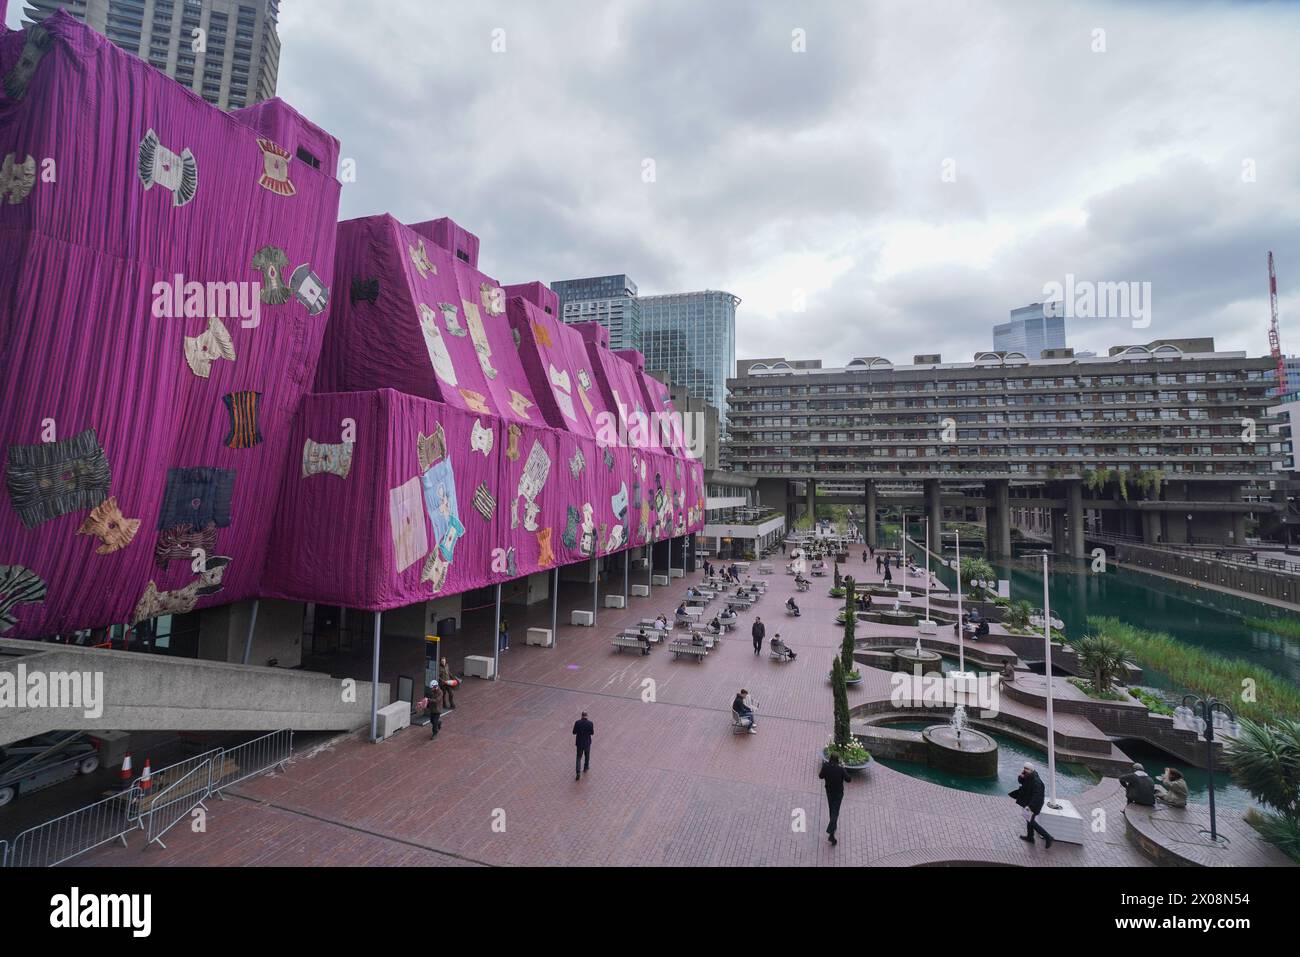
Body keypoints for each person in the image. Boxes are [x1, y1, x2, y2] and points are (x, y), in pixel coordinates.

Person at [1009, 762, 1054, 848]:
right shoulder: (1028, 776)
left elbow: (1037, 796)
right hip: (1028, 803)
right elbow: (1022, 782)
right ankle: (1030, 837)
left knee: (1031, 821)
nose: (1025, 770)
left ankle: (1048, 837)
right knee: (1028, 819)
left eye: (1027, 769)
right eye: (1024, 768)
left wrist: (1030, 806)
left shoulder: (1036, 781)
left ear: (1031, 770)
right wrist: (1021, 776)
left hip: (1034, 805)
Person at [819, 754, 851, 845]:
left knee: (831, 809)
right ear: (837, 760)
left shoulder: (825, 767)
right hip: (838, 793)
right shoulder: (840, 769)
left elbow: (820, 776)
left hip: (829, 792)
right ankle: (831, 832)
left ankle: (833, 827)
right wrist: (845, 770)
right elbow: (849, 779)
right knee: (835, 811)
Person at [572, 711, 594, 781]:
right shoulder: (590, 723)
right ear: (587, 716)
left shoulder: (577, 723)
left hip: (579, 743)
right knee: (587, 755)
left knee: (578, 758)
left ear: (581, 716)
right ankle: (585, 767)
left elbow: (574, 732)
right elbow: (592, 733)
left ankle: (578, 772)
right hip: (587, 743)